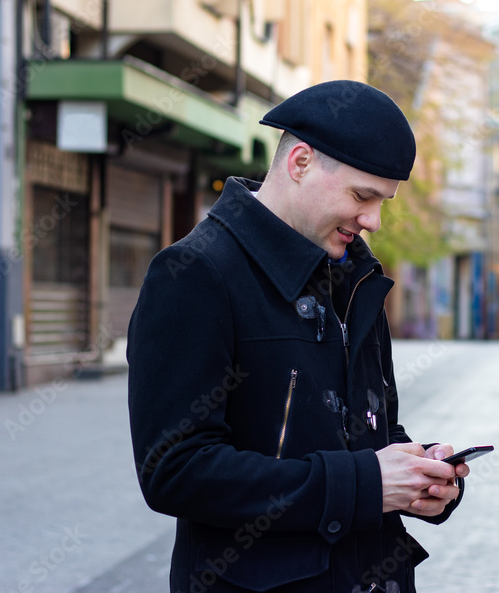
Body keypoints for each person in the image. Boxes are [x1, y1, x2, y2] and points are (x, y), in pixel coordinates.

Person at [127, 80, 471, 593]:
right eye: (363, 195)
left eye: (384, 201)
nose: (374, 220)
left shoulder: (357, 280)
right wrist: (367, 484)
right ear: (301, 162)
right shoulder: (195, 273)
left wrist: (418, 475)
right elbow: (174, 470)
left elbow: (365, 437)